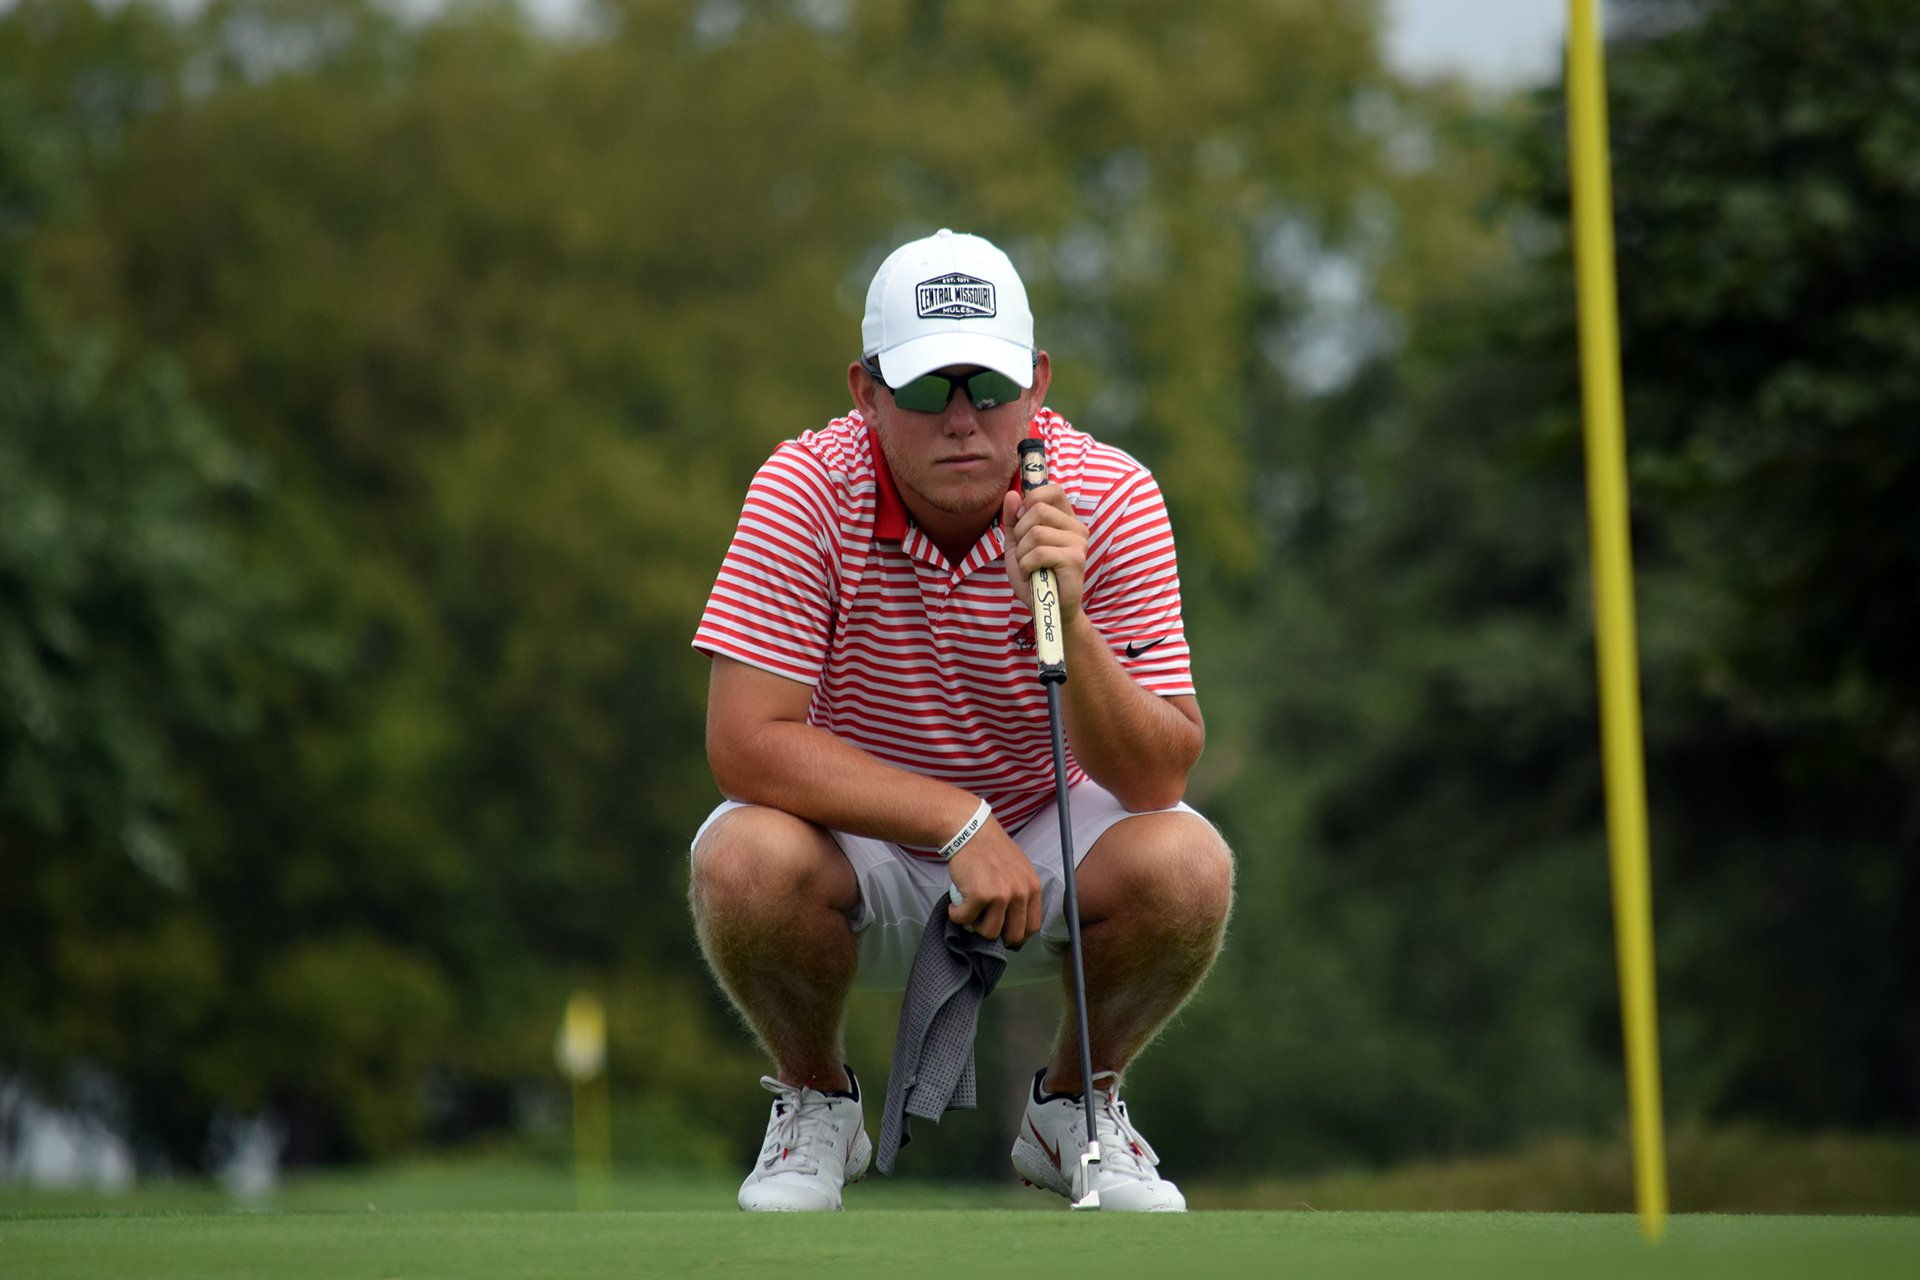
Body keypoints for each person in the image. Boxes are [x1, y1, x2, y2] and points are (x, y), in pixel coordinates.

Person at [689, 229, 1234, 1212]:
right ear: (865, 391)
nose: (962, 420)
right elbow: (744, 741)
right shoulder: (804, 487)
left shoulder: (1110, 494)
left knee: (1190, 867)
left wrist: (1066, 610)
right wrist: (956, 819)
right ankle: (817, 1102)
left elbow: (1159, 774)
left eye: (988, 385)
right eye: (924, 388)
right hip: (863, 852)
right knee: (741, 860)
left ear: (1036, 382)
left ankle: (1072, 1106)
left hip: (1050, 835)